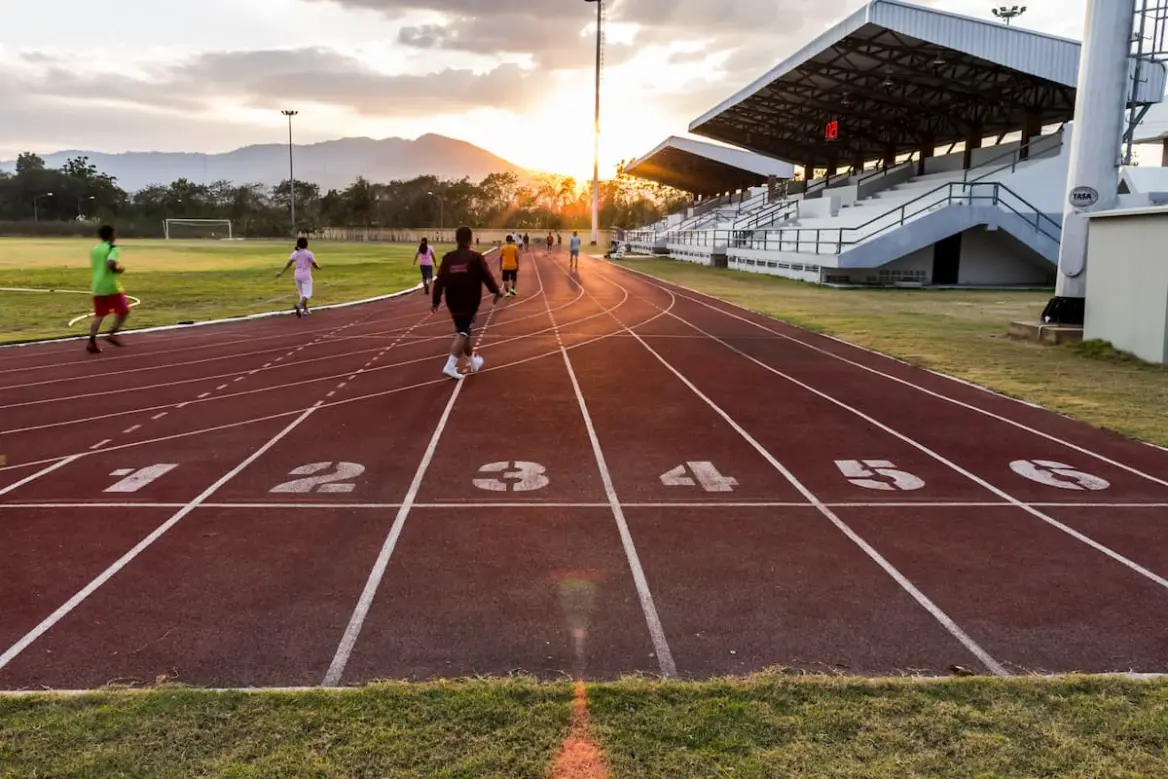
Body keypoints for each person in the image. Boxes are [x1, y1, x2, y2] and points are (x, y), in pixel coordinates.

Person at [432, 225, 502, 380]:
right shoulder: (476, 257)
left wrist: (436, 301)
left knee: (464, 332)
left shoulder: (448, 258)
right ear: (470, 239)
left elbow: (439, 281)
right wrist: (496, 291)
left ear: (456, 239)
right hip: (469, 302)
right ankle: (450, 365)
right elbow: (487, 276)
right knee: (463, 333)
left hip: (452, 302)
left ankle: (473, 361)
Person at [87, 224, 130, 354]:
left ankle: (91, 341)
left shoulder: (95, 249)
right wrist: (117, 270)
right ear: (111, 235)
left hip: (97, 285)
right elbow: (110, 263)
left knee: (99, 315)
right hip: (110, 286)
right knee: (124, 310)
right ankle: (112, 333)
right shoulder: (113, 248)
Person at [277, 236, 320, 317]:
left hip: (297, 274)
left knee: (302, 293)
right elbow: (314, 264)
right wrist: (318, 267)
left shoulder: (295, 253)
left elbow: (289, 263)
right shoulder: (308, 253)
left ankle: (306, 310)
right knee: (307, 294)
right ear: (306, 244)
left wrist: (281, 272)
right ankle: (299, 305)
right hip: (306, 275)